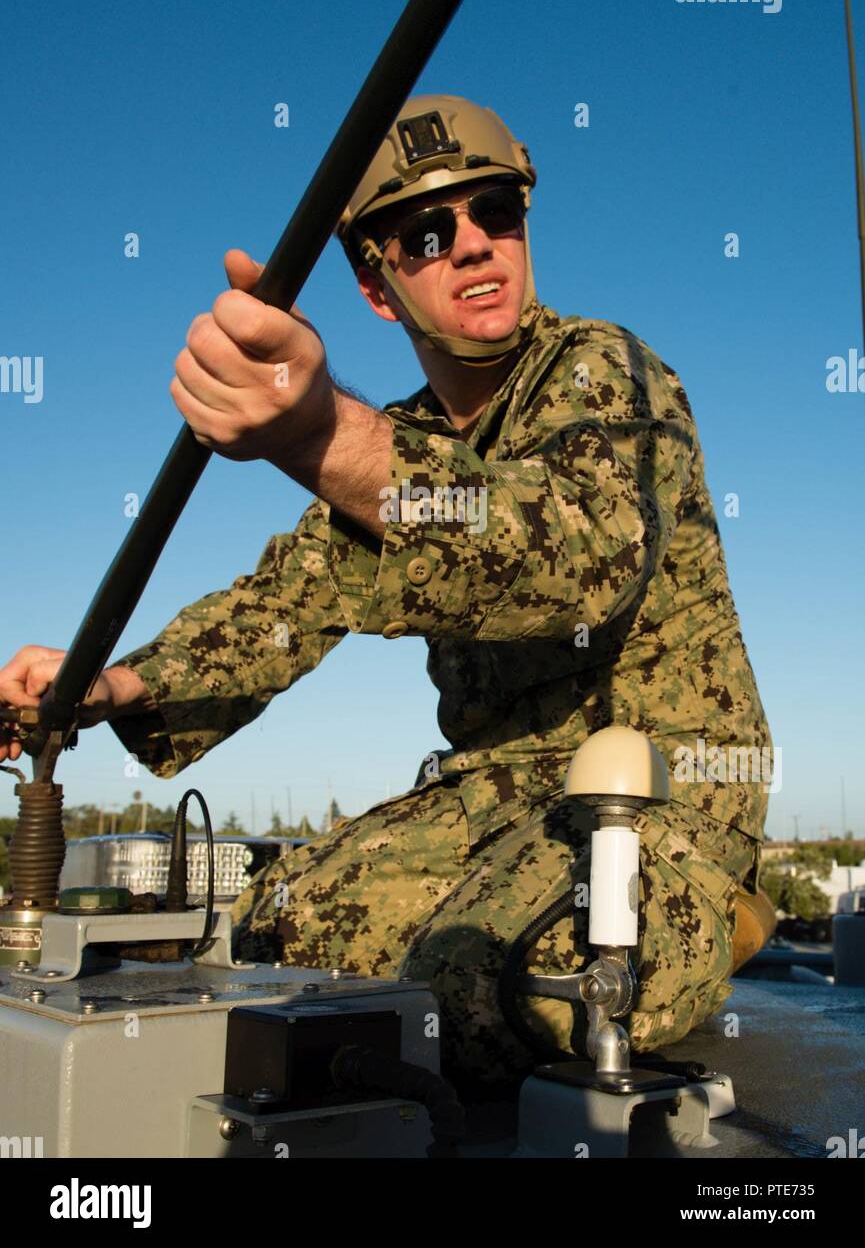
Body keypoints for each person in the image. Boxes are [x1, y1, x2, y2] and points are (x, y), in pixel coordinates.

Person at [0, 94, 773, 1090]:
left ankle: (713, 897)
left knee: (490, 989)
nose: (476, 248)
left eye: (497, 212)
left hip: (655, 788)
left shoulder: (599, 370)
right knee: (274, 927)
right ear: (377, 287)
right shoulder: (408, 436)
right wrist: (104, 685)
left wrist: (323, 432)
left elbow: (577, 556)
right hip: (494, 790)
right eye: (427, 233)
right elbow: (279, 606)